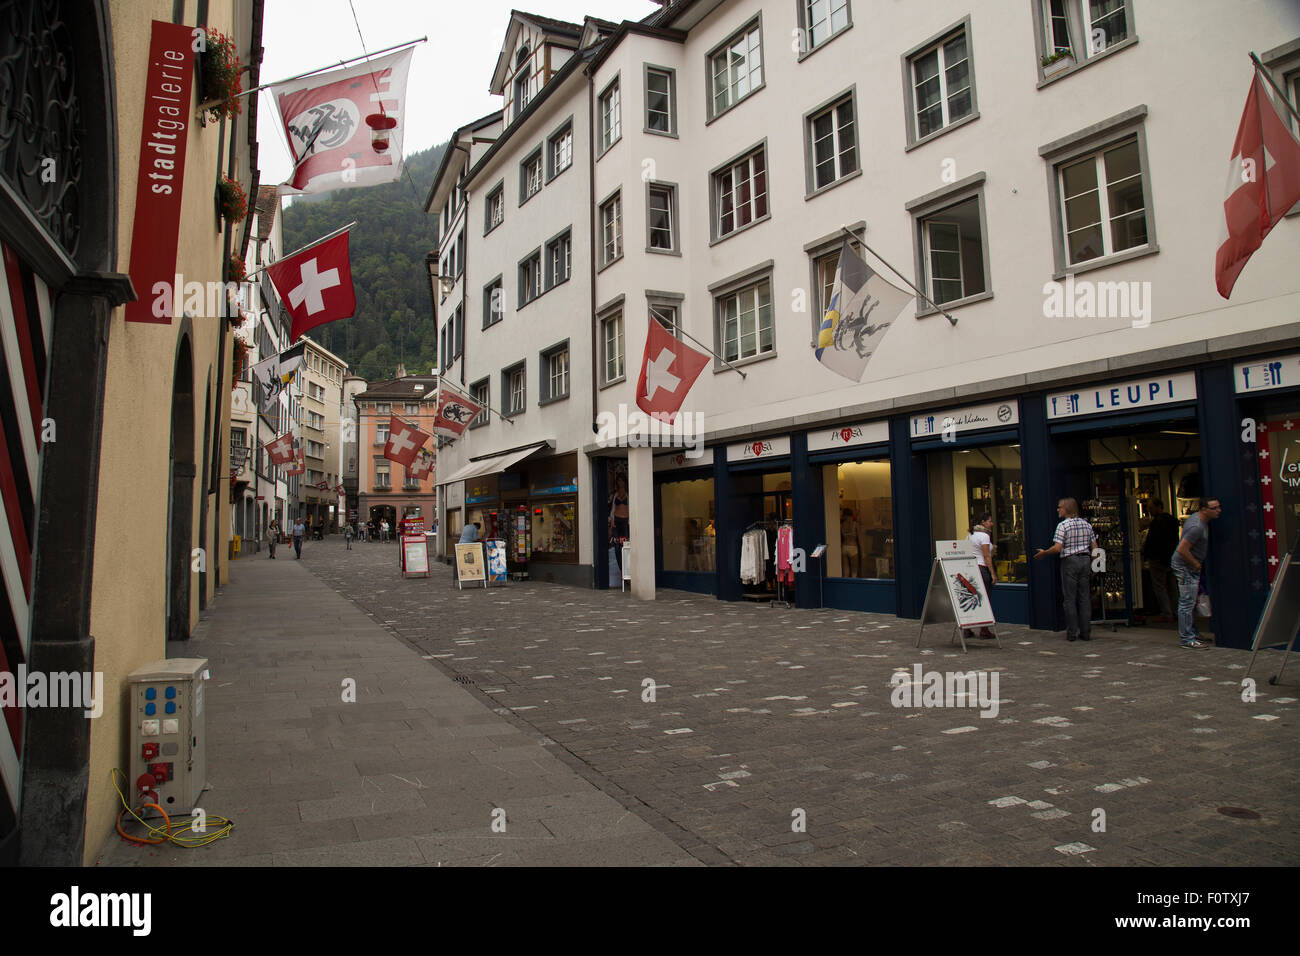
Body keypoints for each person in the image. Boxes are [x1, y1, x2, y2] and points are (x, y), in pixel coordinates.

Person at [1034, 498, 1097, 642]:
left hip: (1070, 561)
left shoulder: (1063, 526)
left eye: (1060, 507)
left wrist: (1044, 553)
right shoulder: (1087, 525)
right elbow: (1095, 546)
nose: (1058, 509)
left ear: (1067, 509)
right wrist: (1094, 565)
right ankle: (1086, 632)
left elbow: (1057, 548)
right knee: (1084, 598)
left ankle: (1072, 632)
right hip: (1085, 559)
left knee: (1069, 598)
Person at [1171, 497, 1222, 648]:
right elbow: (1182, 549)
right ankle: (1188, 639)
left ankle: (1192, 632)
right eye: (1214, 508)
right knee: (1187, 601)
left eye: (1218, 507)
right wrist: (1195, 564)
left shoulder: (1198, 521)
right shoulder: (1197, 527)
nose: (1218, 510)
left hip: (1188, 565)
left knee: (1190, 601)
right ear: (1204, 510)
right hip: (1186, 566)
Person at [1142, 500, 1179, 623]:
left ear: (1159, 507)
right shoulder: (1172, 521)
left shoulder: (1156, 523)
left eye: (1151, 508)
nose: (1149, 511)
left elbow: (1152, 541)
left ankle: (1167, 613)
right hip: (1171, 557)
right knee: (1172, 586)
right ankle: (1176, 611)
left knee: (1160, 587)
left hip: (1158, 558)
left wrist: (1147, 554)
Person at [964, 514, 996, 640]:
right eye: (989, 521)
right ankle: (984, 629)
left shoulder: (969, 536)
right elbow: (986, 556)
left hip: (971, 569)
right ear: (983, 522)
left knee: (972, 599)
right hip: (982, 569)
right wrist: (992, 573)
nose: (992, 523)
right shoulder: (984, 536)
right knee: (985, 600)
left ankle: (967, 628)